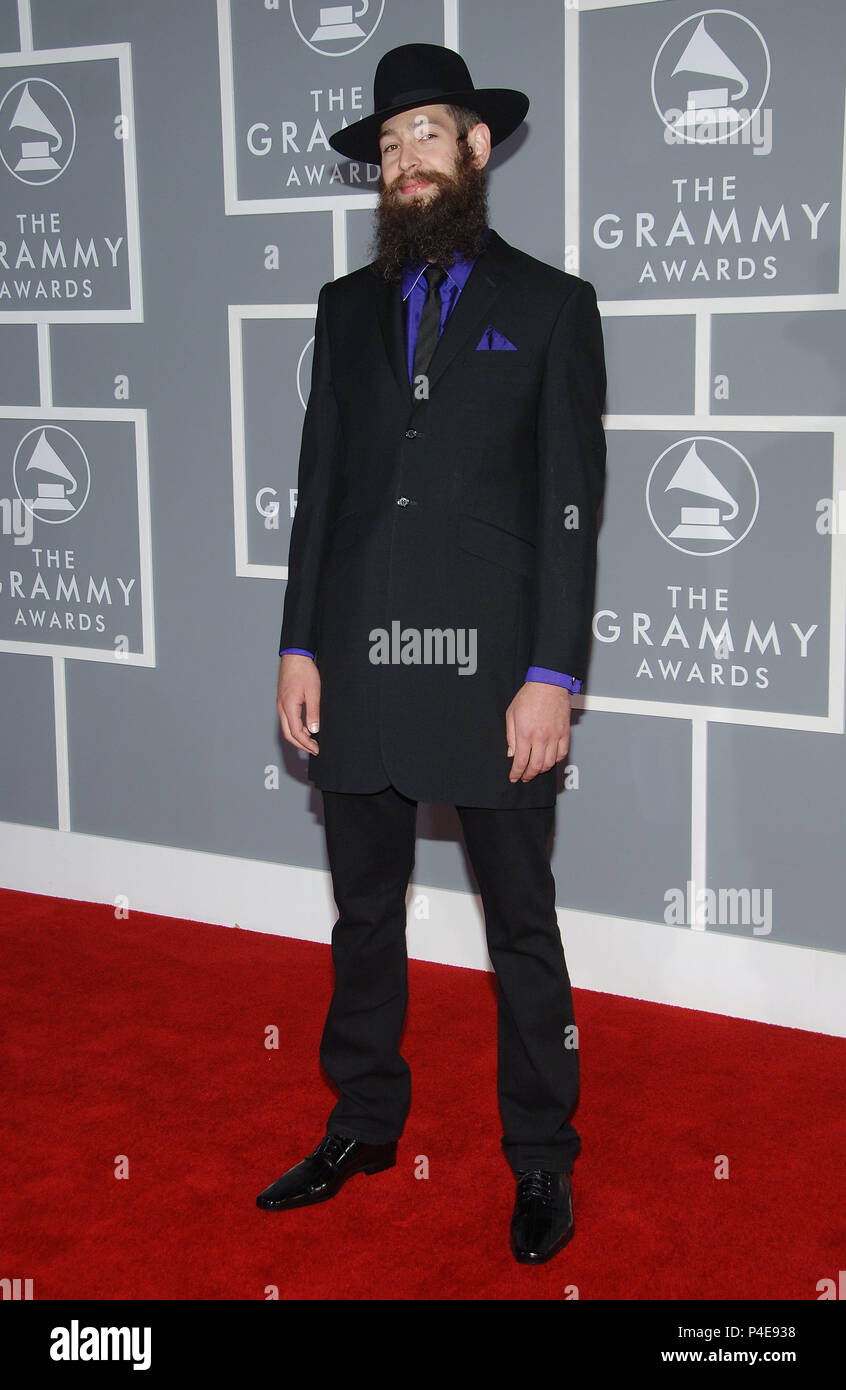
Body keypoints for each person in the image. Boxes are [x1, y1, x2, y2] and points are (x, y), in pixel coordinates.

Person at [257, 42, 607, 1265]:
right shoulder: (343, 309)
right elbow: (320, 493)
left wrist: (553, 673)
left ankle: (544, 1158)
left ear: (476, 148)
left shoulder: (554, 305)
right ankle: (362, 1121)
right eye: (390, 141)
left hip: (496, 673)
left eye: (430, 134)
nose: (409, 158)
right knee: (364, 911)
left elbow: (573, 504)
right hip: (352, 660)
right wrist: (300, 643)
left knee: (521, 925)